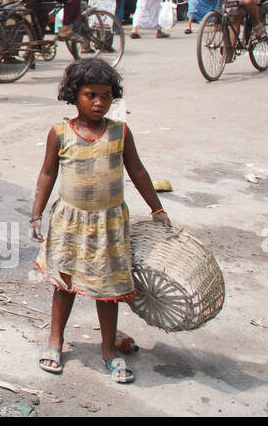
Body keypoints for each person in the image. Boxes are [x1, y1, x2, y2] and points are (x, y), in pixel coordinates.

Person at [31, 59, 171, 383]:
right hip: (70, 223)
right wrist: (36, 214)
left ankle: (109, 349)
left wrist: (157, 209)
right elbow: (47, 173)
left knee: (108, 291)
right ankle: (55, 340)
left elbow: (137, 171)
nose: (98, 103)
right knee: (64, 285)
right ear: (74, 95)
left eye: (106, 96)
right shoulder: (60, 133)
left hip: (109, 226)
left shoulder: (120, 132)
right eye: (90, 95)